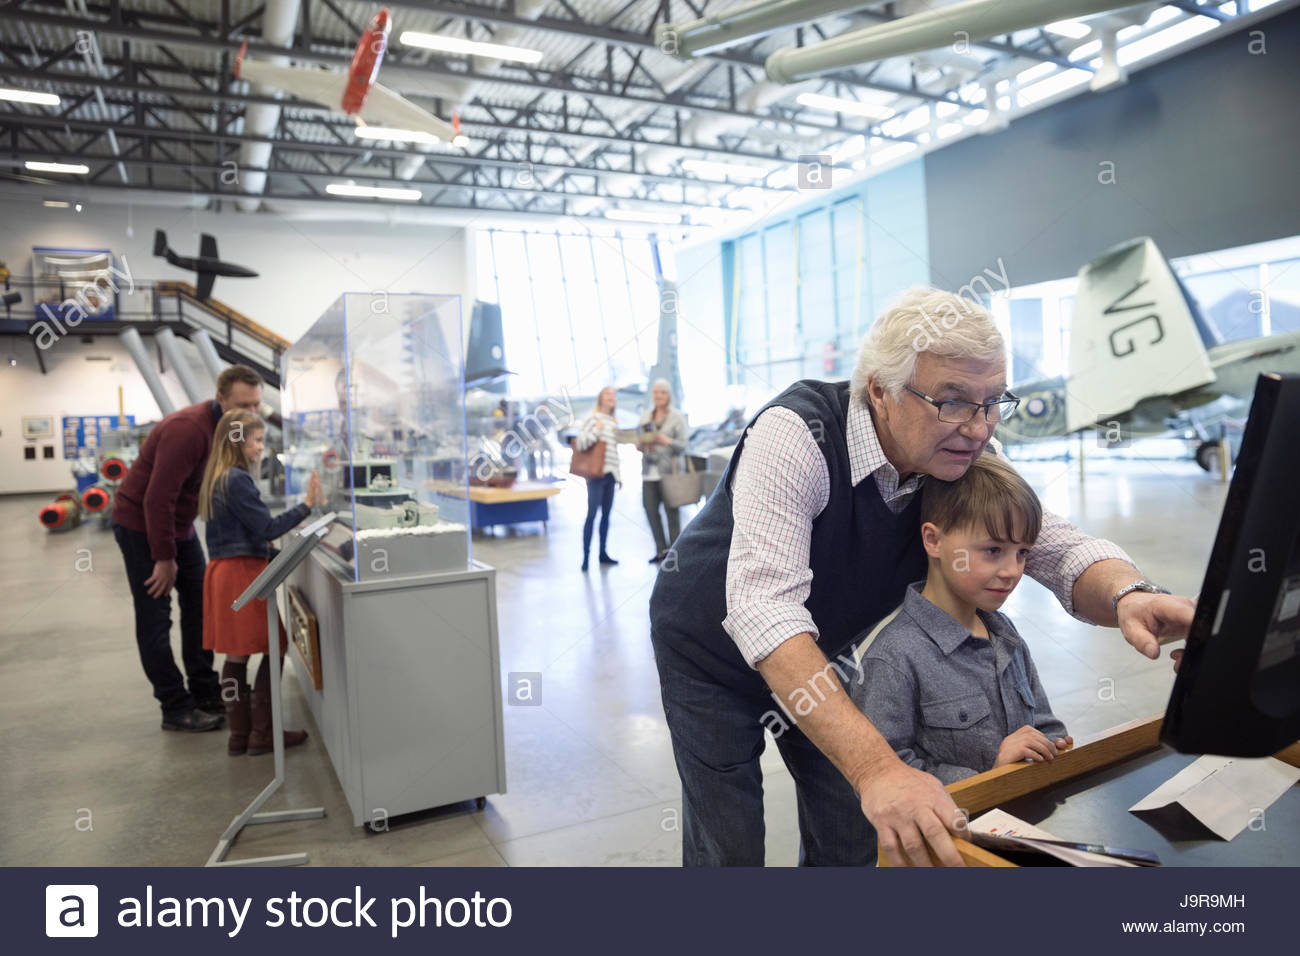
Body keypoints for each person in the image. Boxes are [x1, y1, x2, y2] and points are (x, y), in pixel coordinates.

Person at [649, 286, 1196, 867]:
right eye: (955, 401)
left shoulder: (958, 446)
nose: (980, 428)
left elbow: (1051, 545)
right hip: (712, 650)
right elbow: (764, 609)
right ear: (880, 391)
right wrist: (878, 767)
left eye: (993, 402)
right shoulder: (796, 434)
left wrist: (1127, 594)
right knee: (727, 843)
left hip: (832, 656)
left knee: (856, 836)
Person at [849, 452, 1073, 784]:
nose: (1012, 571)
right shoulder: (893, 660)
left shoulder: (1004, 634)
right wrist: (993, 777)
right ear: (933, 540)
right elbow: (887, 775)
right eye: (993, 550)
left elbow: (1043, 723)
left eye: (1022, 552)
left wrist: (1054, 748)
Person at [111, 365, 265, 732]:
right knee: (155, 616)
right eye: (243, 404)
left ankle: (205, 689)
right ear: (221, 399)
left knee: (201, 604)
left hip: (178, 526)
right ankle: (175, 706)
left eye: (257, 405)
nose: (251, 413)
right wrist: (164, 557)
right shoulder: (189, 430)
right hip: (141, 525)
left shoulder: (230, 431)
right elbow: (156, 498)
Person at [199, 409, 324, 756]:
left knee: (236, 655)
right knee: (274, 645)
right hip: (242, 575)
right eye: (257, 441)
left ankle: (239, 735)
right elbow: (267, 529)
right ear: (239, 442)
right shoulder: (238, 480)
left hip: (222, 573)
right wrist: (307, 506)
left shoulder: (217, 477)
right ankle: (263, 733)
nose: (259, 449)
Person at [637, 379, 689, 563]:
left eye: (662, 392)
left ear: (668, 395)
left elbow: (683, 445)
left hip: (669, 473)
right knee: (650, 510)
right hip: (649, 472)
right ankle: (661, 550)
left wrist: (666, 441)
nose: (658, 396)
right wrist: (642, 444)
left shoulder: (677, 417)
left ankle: (674, 554)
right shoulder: (646, 417)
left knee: (671, 513)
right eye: (656, 392)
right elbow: (639, 441)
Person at [576, 386, 622, 572]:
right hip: (596, 476)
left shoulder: (613, 421)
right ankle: (586, 558)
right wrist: (596, 431)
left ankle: (602, 553)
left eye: (613, 395)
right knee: (592, 515)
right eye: (607, 394)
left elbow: (612, 451)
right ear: (600, 398)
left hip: (611, 475)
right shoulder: (593, 419)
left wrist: (618, 475)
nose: (611, 398)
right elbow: (581, 443)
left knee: (606, 516)